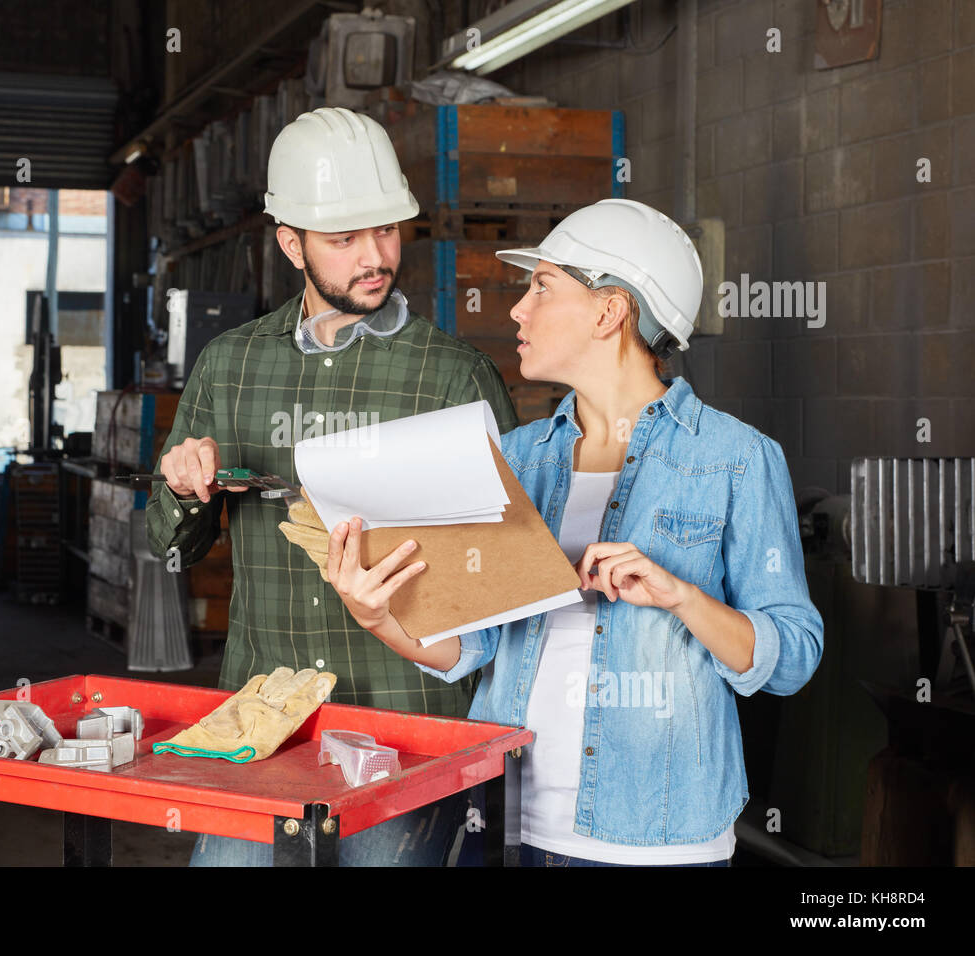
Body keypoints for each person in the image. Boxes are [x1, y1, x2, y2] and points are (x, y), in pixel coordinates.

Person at [326, 198, 824, 866]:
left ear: (609, 310)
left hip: (654, 844)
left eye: (541, 287)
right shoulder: (518, 458)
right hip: (502, 821)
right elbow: (471, 644)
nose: (516, 310)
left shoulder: (735, 459)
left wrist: (684, 598)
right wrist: (380, 617)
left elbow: (793, 658)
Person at [145, 106, 518, 866]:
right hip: (265, 720)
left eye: (386, 230)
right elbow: (171, 543)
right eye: (345, 240)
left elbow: (506, 575)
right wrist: (185, 487)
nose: (375, 256)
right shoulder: (232, 365)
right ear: (292, 242)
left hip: (407, 728)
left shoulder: (453, 376)